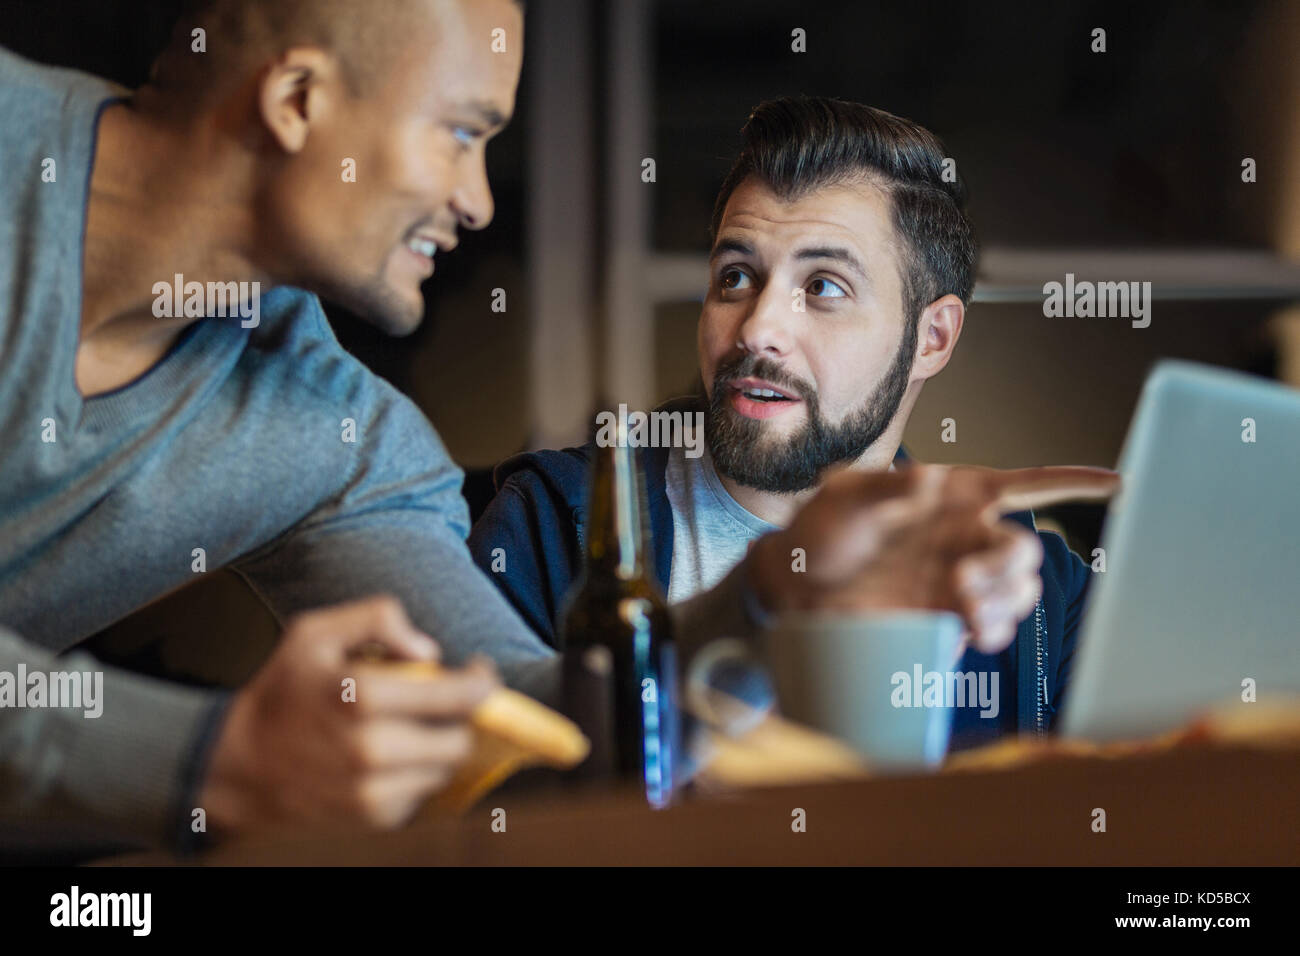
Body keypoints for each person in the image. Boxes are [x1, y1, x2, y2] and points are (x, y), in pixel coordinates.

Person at [0, 2, 1094, 858]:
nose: (480, 201)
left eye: (824, 287)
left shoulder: (342, 447)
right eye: (462, 133)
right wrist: (197, 761)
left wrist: (765, 603)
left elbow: (543, 737)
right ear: (297, 101)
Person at [470, 97, 1116, 750]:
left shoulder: (1040, 602)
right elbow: (481, 785)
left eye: (823, 286)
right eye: (736, 276)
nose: (757, 329)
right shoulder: (550, 527)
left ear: (933, 338)